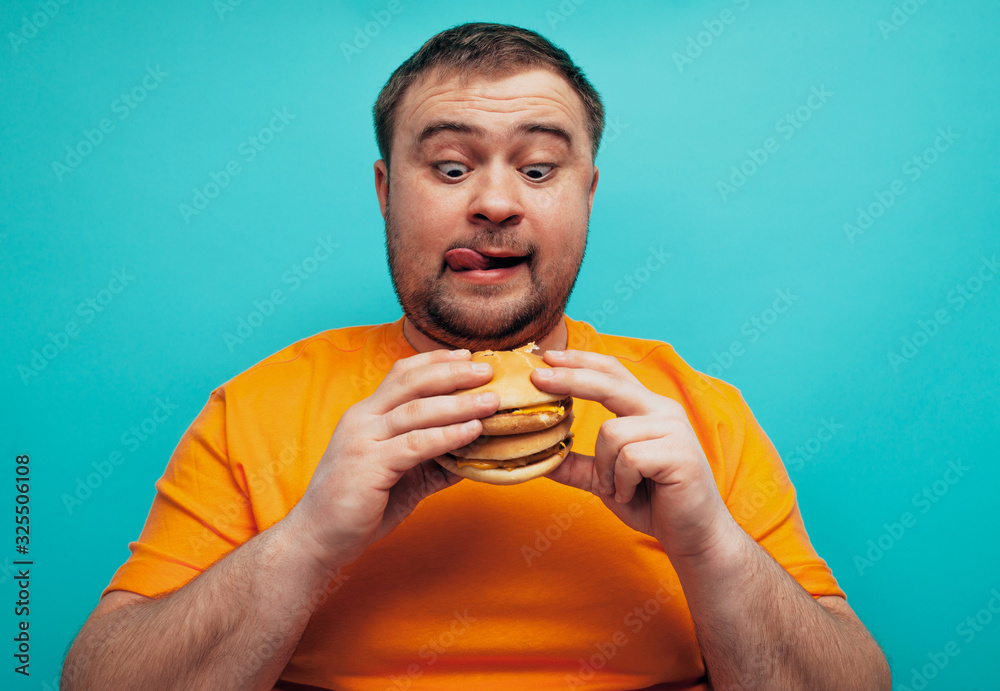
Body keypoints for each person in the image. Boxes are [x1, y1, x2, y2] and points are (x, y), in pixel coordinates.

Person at [62, 22, 890, 691]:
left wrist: (710, 544)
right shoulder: (256, 410)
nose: (494, 203)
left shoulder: (690, 410)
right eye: (451, 166)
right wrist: (308, 538)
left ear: (587, 192)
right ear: (388, 192)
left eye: (538, 168)